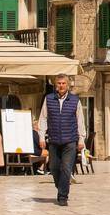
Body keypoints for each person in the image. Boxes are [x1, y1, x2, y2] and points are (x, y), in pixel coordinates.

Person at [37, 74, 86, 207]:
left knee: (66, 168)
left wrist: (81, 139)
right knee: (54, 168)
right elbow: (43, 118)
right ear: (55, 85)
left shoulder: (75, 100)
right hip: (54, 140)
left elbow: (80, 121)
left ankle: (63, 196)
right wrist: (41, 136)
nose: (61, 85)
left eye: (64, 83)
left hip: (70, 140)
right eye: (59, 83)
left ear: (68, 85)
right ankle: (61, 188)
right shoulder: (48, 99)